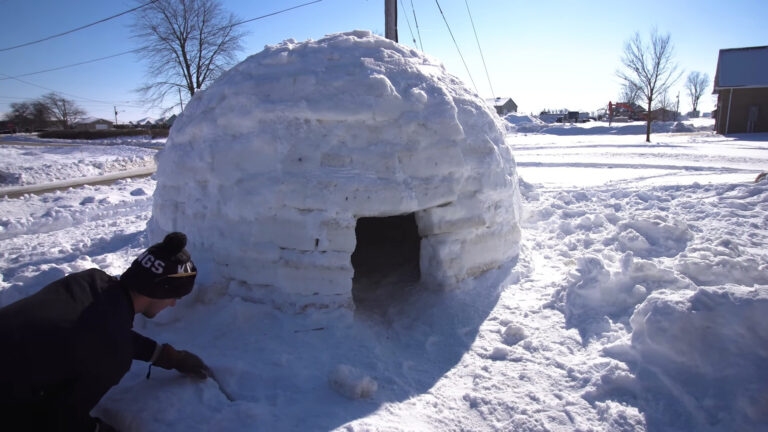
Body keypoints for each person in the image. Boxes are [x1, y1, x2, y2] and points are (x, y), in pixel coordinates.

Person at [0, 232, 211, 431]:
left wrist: (165, 356)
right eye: (175, 296)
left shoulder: (88, 282)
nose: (173, 304)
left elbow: (100, 330)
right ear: (157, 292)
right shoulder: (112, 349)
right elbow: (61, 419)